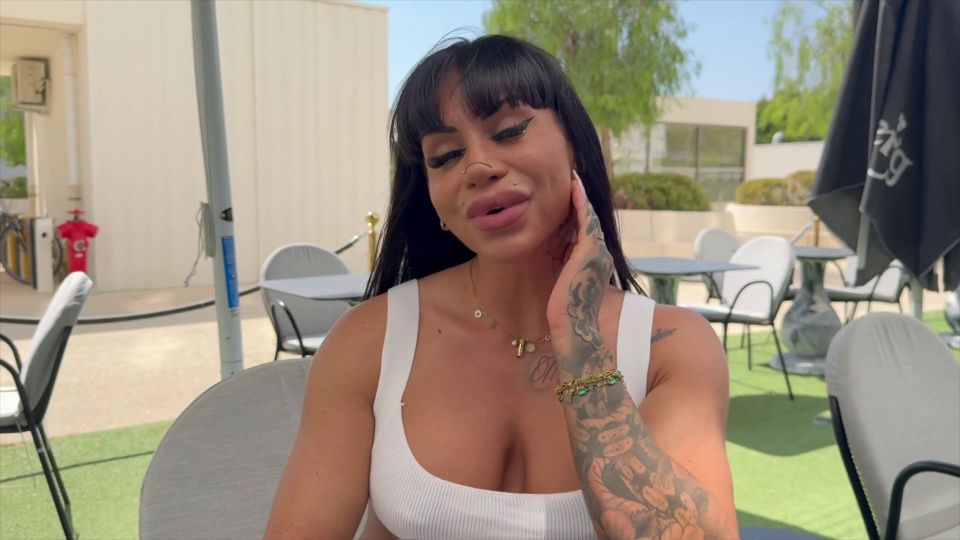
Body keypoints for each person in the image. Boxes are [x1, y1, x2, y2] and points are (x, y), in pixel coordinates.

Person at [265, 34, 738, 539]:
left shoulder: (672, 347)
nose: (478, 167)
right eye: (445, 156)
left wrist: (578, 339)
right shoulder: (368, 341)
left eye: (510, 131)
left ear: (576, 148)